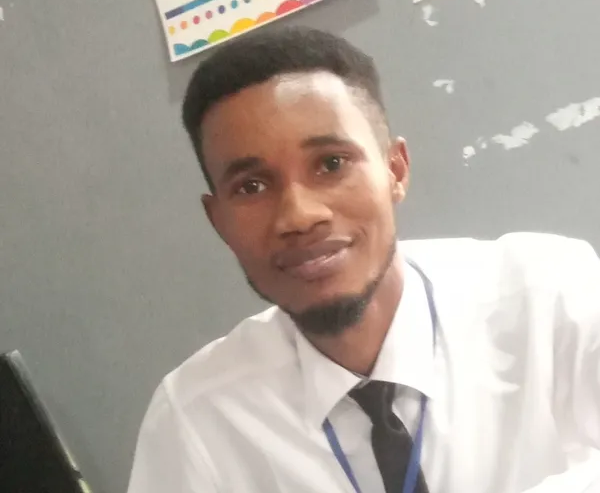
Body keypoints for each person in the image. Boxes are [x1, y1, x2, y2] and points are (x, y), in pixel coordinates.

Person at [126, 26, 600, 493]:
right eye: (251, 186)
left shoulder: (547, 299)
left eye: (331, 163)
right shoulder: (195, 420)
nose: (299, 215)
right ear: (219, 222)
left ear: (395, 169)